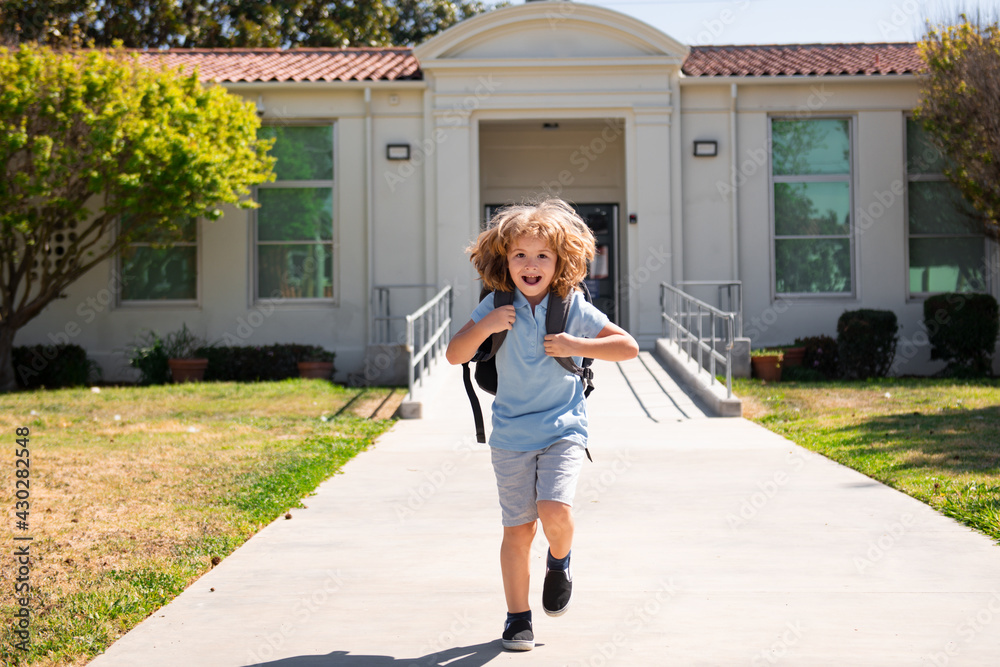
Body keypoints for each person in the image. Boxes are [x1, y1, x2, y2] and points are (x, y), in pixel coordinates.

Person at [445, 199, 639, 652]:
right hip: (511, 435)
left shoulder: (569, 307)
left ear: (561, 261)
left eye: (542, 256)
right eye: (520, 256)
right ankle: (517, 618)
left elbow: (627, 347)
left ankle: (560, 559)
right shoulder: (497, 303)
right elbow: (456, 354)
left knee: (555, 512)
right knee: (517, 530)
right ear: (503, 259)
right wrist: (487, 324)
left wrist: (576, 344)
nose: (530, 265)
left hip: (562, 428)